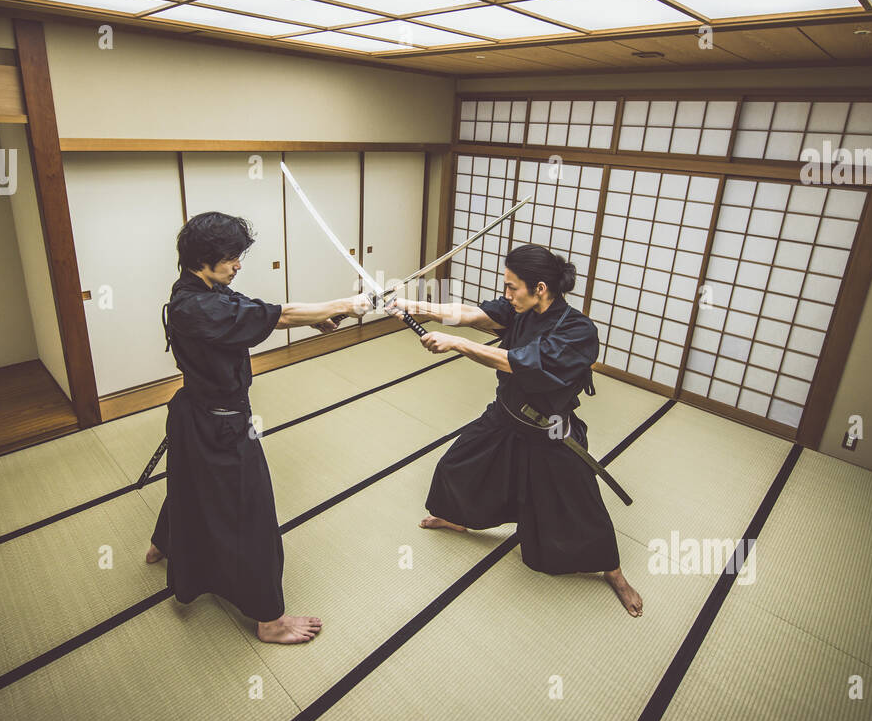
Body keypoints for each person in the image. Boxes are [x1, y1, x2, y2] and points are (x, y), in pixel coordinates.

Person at [146, 211, 371, 643]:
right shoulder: (199, 306)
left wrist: (318, 318)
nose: (238, 264)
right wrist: (345, 304)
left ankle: (164, 544)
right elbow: (277, 316)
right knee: (252, 514)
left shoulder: (196, 289)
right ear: (203, 259)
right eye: (230, 257)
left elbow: (253, 314)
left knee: (188, 484)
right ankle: (269, 619)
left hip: (193, 416)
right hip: (222, 425)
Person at [387, 244, 643, 617]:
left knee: (580, 505)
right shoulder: (519, 310)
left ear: (540, 288)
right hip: (505, 416)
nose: (506, 295)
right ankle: (455, 517)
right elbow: (470, 314)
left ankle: (613, 571)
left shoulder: (578, 331)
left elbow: (517, 363)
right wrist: (417, 308)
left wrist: (456, 344)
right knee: (456, 463)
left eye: (512, 287)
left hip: (551, 431)